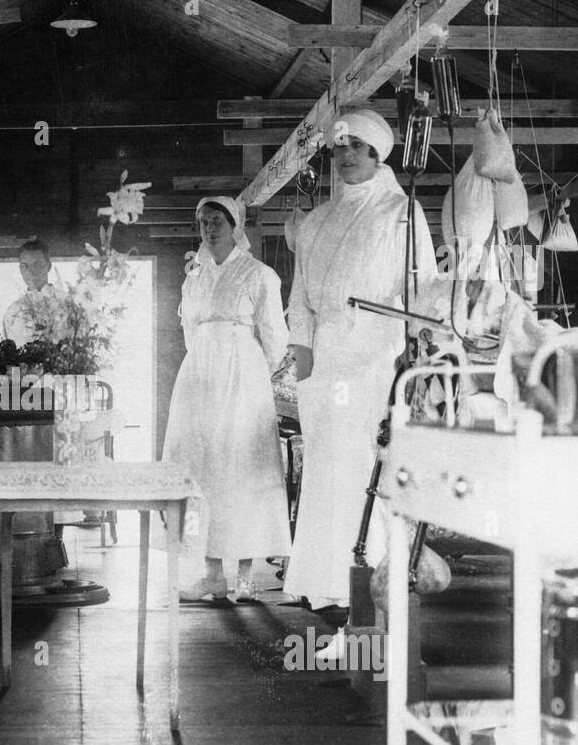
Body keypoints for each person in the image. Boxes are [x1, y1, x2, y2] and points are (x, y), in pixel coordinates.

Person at [282, 106, 442, 619]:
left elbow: (421, 292)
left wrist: (416, 361)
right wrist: (303, 361)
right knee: (325, 470)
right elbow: (300, 296)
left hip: (376, 355)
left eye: (356, 147)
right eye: (338, 148)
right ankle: (324, 582)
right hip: (326, 361)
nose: (345, 156)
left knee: (364, 469)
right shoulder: (317, 220)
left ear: (377, 153)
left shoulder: (401, 210)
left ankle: (371, 580)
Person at [163, 195, 291, 602]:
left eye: (217, 220)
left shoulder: (259, 274)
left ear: (235, 226)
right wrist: (207, 361)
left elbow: (275, 338)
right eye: (202, 221)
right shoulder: (193, 277)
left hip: (243, 377)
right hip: (200, 376)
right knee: (204, 469)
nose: (209, 228)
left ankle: (247, 578)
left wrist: (250, 373)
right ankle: (212, 574)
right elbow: (189, 330)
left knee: (243, 467)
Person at [1, 238, 64, 347]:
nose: (31, 272)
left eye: (37, 265)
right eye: (25, 266)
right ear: (20, 269)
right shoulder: (12, 312)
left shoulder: (66, 306)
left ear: (48, 266)